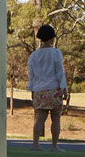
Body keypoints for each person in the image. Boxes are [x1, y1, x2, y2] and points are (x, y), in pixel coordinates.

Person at [28, 22, 68, 150]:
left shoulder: (33, 55)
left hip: (39, 89)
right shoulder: (56, 53)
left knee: (40, 117)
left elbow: (32, 74)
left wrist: (32, 89)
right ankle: (54, 145)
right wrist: (64, 88)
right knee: (55, 117)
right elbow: (59, 72)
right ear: (52, 38)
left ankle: (35, 144)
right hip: (53, 88)